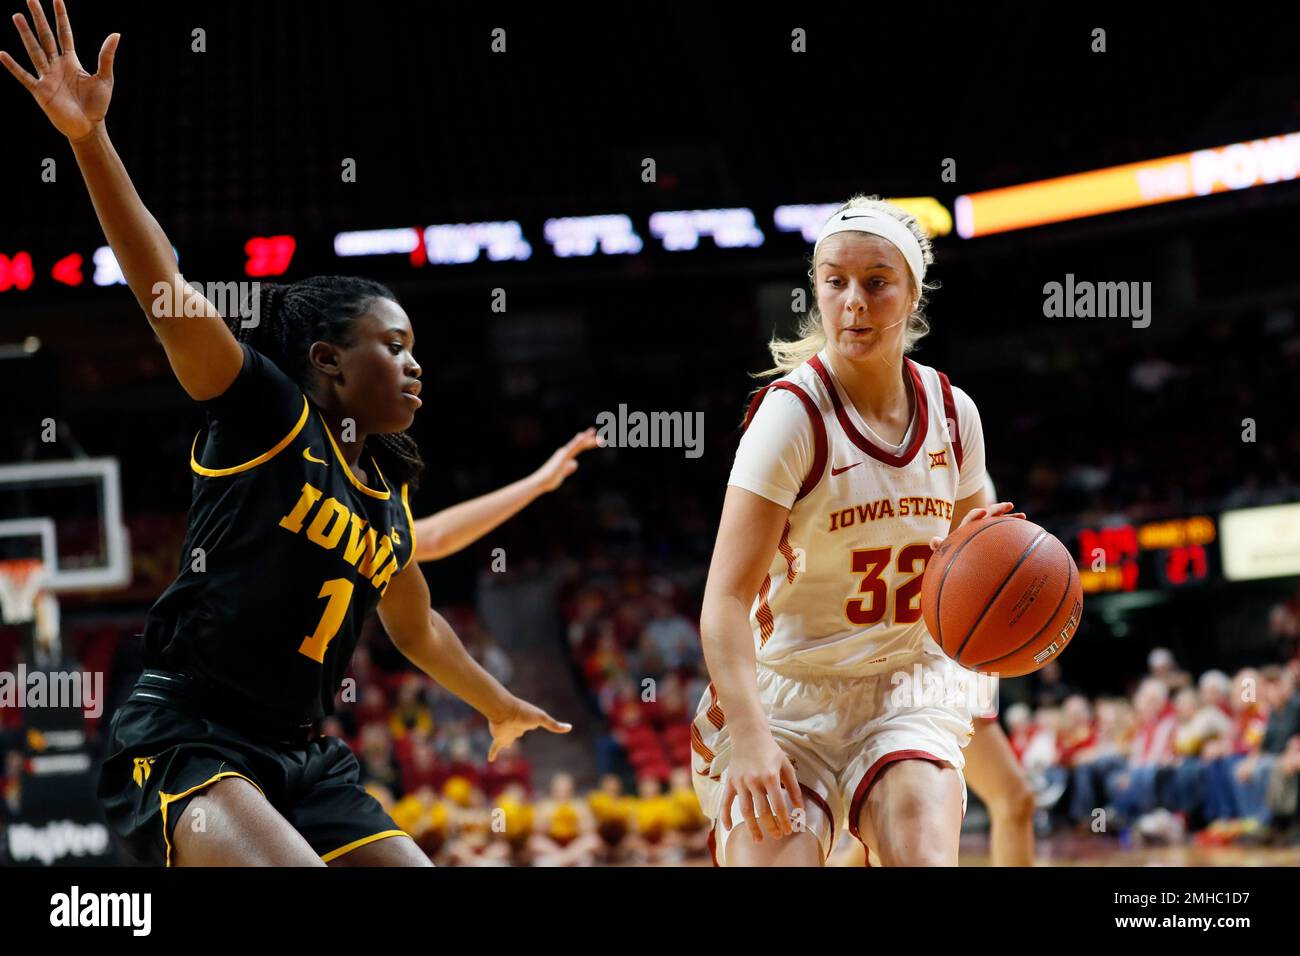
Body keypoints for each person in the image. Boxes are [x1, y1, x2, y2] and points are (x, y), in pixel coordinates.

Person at [3, 0, 569, 865]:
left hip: (305, 757)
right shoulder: (268, 414)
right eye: (394, 346)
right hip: (187, 737)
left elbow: (416, 630)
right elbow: (167, 293)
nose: (416, 367)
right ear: (328, 363)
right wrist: (90, 141)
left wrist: (495, 702)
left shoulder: (381, 493)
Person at [691, 194, 1027, 867]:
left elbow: (976, 560)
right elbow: (724, 600)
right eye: (834, 281)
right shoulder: (791, 418)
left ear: (912, 294)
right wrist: (754, 741)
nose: (854, 302)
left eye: (877, 282)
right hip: (784, 695)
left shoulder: (954, 415)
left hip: (906, 686)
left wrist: (1011, 600)